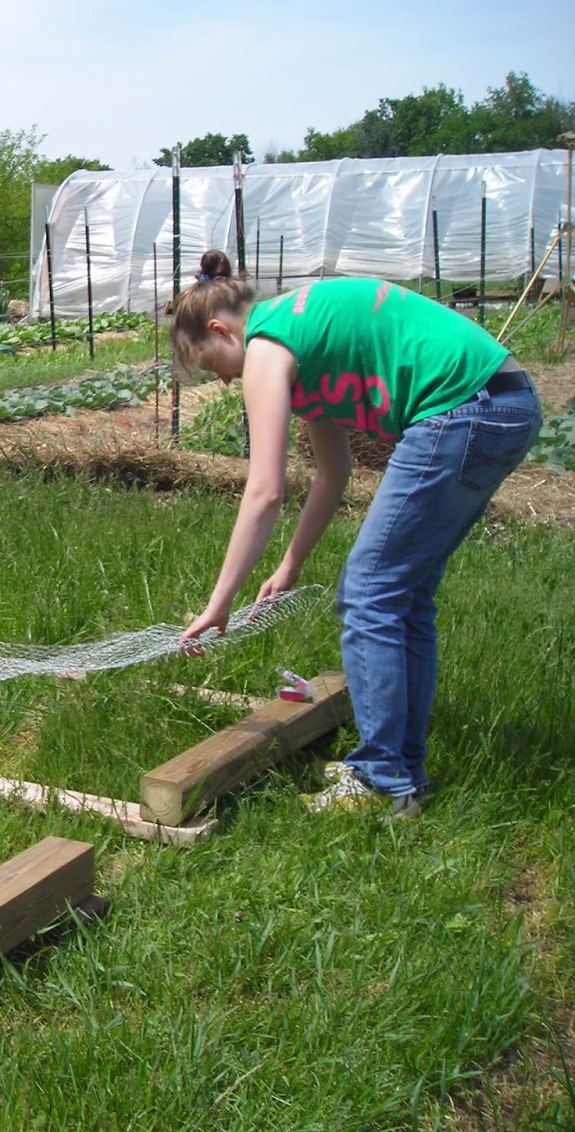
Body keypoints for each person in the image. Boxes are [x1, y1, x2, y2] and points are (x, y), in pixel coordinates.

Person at [171, 252, 542, 818]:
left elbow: (265, 489)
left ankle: (381, 781)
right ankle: (397, 770)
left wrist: (218, 603)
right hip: (501, 402)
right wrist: (290, 564)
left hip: (464, 407)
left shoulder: (269, 343)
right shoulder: (304, 341)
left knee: (369, 593)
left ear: (221, 328)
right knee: (402, 596)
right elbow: (333, 473)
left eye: (211, 362)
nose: (222, 379)